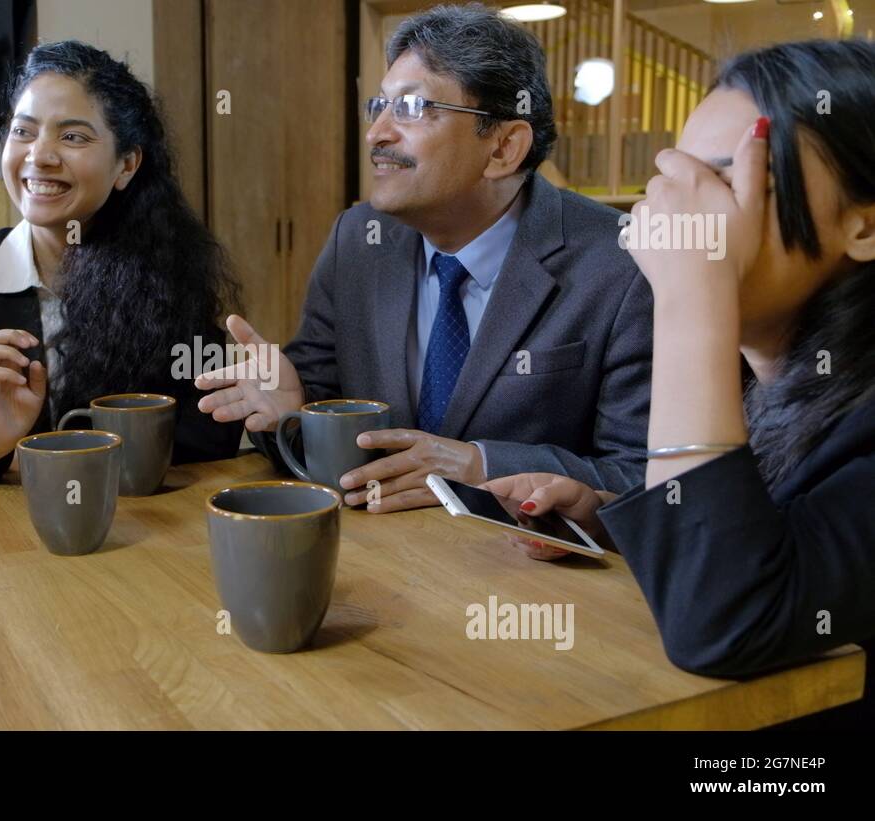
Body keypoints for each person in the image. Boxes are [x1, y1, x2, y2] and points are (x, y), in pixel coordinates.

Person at [486, 39, 875, 730]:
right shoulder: (757, 386)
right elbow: (765, 537)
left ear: (864, 221)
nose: (677, 219)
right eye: (683, 185)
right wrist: (608, 517)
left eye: (727, 183)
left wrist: (693, 298)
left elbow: (724, 622)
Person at [195, 3, 652, 512]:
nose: (376, 134)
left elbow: (645, 474)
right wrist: (291, 410)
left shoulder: (624, 261)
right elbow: (318, 398)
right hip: (383, 561)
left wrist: (478, 466)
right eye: (379, 107)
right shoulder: (359, 240)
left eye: (410, 110)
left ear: (503, 148)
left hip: (532, 571)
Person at [0, 40, 243, 490]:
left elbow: (210, 432)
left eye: (73, 136)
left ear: (127, 165)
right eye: (23, 131)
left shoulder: (166, 273)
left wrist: (70, 461)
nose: (40, 155)